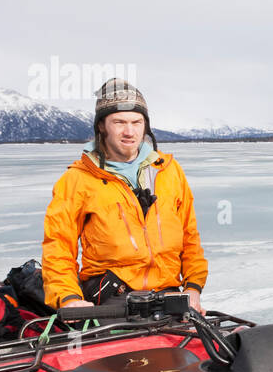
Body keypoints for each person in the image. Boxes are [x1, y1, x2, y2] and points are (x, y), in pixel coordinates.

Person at [42, 79, 208, 312]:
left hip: (168, 292)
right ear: (102, 126)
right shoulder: (77, 179)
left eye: (136, 122)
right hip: (111, 296)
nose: (129, 131)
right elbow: (58, 246)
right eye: (119, 122)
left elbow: (190, 236)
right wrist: (69, 298)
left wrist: (192, 287)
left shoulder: (168, 170)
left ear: (145, 125)